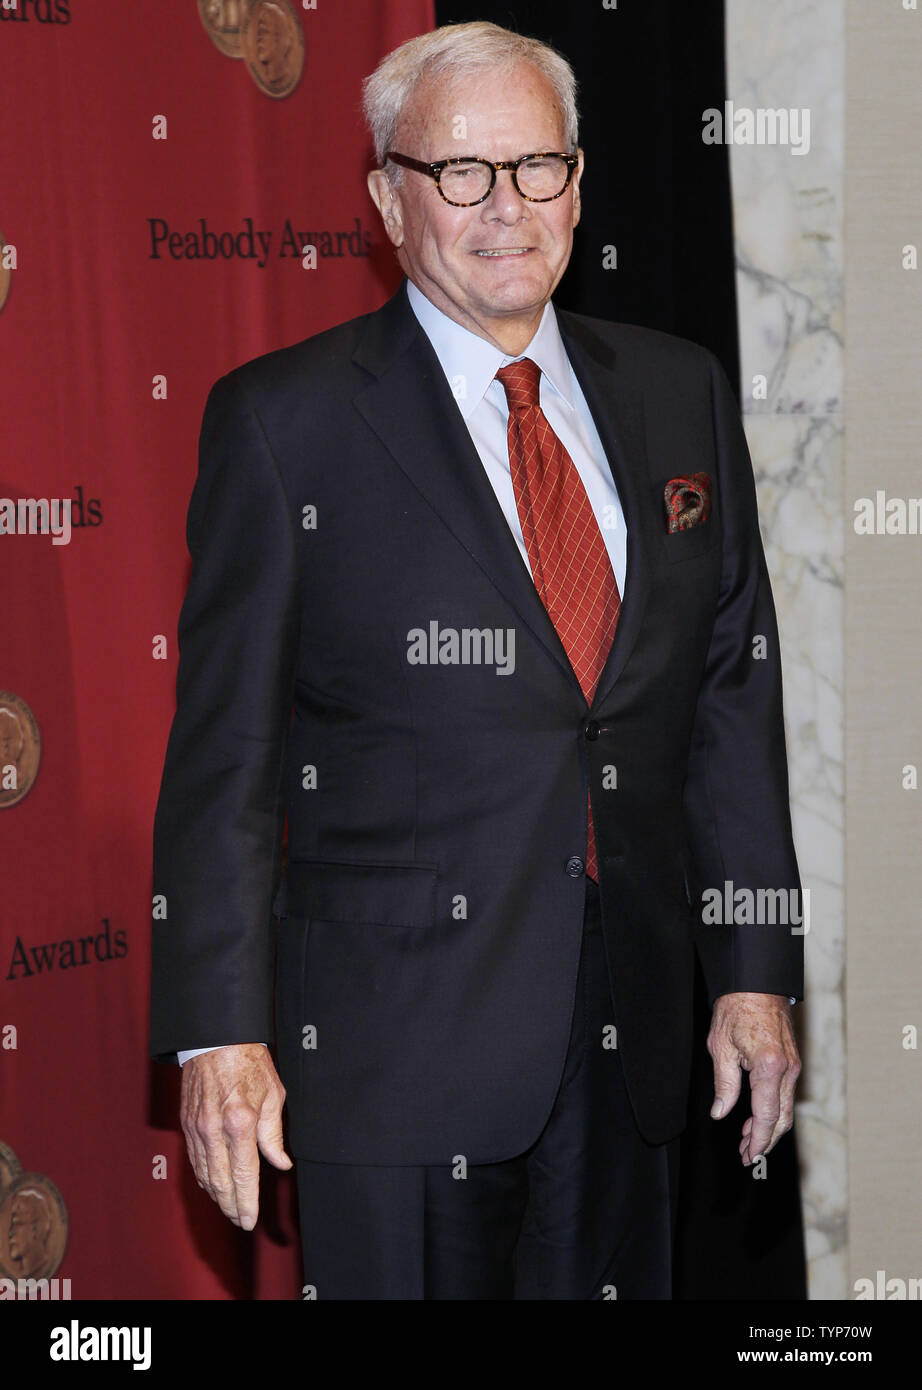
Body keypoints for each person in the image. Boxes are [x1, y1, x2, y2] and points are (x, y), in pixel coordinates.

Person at [150, 21, 803, 1300]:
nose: (505, 208)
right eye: (459, 173)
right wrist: (218, 1030)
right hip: (393, 1057)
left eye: (537, 167)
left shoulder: (678, 393)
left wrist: (752, 974)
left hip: (634, 1045)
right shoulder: (286, 425)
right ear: (387, 199)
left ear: (579, 182)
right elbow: (226, 755)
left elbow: (729, 703)